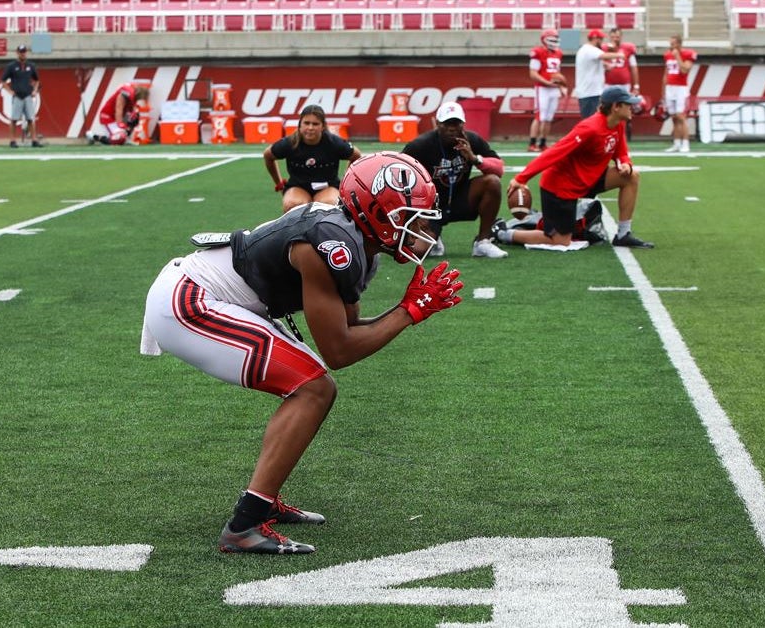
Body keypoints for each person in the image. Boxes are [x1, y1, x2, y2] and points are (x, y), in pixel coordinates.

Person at [140, 152, 463, 554]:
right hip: (190, 300)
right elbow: (338, 351)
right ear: (375, 213)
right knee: (314, 388)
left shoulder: (353, 244)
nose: (419, 229)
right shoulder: (331, 243)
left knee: (312, 387)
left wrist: (406, 311)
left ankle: (260, 501)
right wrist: (409, 312)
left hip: (211, 297)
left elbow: (346, 329)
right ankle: (244, 526)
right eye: (408, 218)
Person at [497, 86, 653, 249]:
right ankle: (503, 233)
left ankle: (623, 234)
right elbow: (555, 152)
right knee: (560, 241)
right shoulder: (590, 128)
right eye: (628, 104)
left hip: (589, 179)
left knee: (631, 176)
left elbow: (621, 153)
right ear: (616, 107)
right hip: (562, 186)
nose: (632, 107)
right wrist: (521, 178)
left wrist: (626, 164)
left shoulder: (618, 124)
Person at [402, 101, 509, 259]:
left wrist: (474, 158)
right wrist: (416, 213)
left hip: (460, 198)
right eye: (447, 123)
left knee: (492, 182)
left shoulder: (471, 140)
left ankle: (483, 242)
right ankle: (434, 238)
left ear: (463, 124)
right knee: (416, 251)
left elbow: (499, 169)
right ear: (437, 124)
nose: (452, 128)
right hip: (430, 206)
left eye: (456, 123)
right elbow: (400, 177)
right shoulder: (420, 145)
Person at [264, 104, 362, 213]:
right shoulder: (290, 142)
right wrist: (279, 184)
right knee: (292, 204)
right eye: (306, 123)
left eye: (315, 124)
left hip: (328, 186)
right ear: (300, 124)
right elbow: (268, 155)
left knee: (330, 205)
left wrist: (345, 182)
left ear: (323, 126)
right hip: (298, 186)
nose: (310, 128)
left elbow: (356, 155)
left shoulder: (333, 143)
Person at [528, 29, 567, 153]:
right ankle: (532, 143)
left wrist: (561, 86)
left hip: (553, 89)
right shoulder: (538, 52)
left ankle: (543, 143)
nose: (554, 41)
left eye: (556, 39)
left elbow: (557, 73)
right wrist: (547, 82)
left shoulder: (558, 53)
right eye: (552, 39)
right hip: (542, 89)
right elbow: (533, 73)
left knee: (549, 118)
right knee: (540, 116)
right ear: (544, 40)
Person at [575, 29, 625, 119]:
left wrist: (605, 66)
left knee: (595, 120)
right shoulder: (589, 49)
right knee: (591, 120)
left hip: (591, 92)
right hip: (590, 93)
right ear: (595, 38)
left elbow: (593, 63)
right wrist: (619, 55)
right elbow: (604, 56)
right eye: (601, 39)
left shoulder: (585, 50)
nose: (602, 42)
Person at [0, 45, 42, 148]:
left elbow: (37, 80)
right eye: (21, 52)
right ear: (17, 53)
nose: (23, 54)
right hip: (17, 96)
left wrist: (35, 90)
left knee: (30, 119)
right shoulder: (11, 66)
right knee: (14, 119)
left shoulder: (31, 66)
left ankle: (34, 140)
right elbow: (3, 81)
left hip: (28, 96)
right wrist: (10, 92)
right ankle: (12, 141)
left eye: (24, 52)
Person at [662, 35, 698, 153]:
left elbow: (684, 70)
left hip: (680, 88)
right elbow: (666, 74)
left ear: (679, 44)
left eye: (673, 44)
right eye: (670, 44)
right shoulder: (667, 55)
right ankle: (676, 143)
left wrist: (677, 56)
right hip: (670, 88)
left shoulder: (687, 54)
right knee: (673, 117)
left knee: (681, 117)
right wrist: (663, 92)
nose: (671, 46)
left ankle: (686, 143)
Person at [604, 28, 640, 141]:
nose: (615, 38)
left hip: (624, 85)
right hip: (608, 85)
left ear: (621, 37)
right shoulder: (604, 49)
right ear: (609, 37)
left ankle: (621, 137)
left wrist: (636, 85)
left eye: (617, 36)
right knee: (607, 111)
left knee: (623, 111)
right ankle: (608, 135)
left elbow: (634, 68)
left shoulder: (627, 49)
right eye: (613, 36)